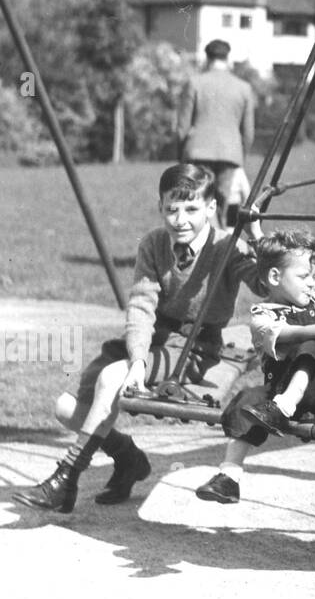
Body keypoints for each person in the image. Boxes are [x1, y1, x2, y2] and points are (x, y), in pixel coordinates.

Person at [12, 163, 264, 515]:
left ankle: (66, 478)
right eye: (171, 209)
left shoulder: (227, 246)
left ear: (211, 207)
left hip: (194, 346)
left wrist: (255, 233)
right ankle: (129, 459)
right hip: (153, 337)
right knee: (67, 409)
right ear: (160, 207)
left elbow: (266, 283)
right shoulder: (154, 243)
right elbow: (142, 306)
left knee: (111, 377)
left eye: (191, 209)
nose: (180, 220)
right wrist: (139, 361)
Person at [196, 229, 315, 503]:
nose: (311, 283)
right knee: (247, 400)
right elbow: (288, 335)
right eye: (303, 276)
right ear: (274, 277)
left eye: (313, 277)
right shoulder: (262, 316)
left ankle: (283, 406)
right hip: (283, 392)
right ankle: (229, 476)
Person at [177, 39, 257, 229]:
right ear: (227, 58)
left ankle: (206, 248)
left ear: (207, 58)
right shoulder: (243, 87)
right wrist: (241, 157)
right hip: (230, 154)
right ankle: (217, 246)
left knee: (199, 201)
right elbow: (248, 132)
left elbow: (182, 127)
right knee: (220, 204)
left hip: (198, 152)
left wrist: (180, 155)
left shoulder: (194, 83)